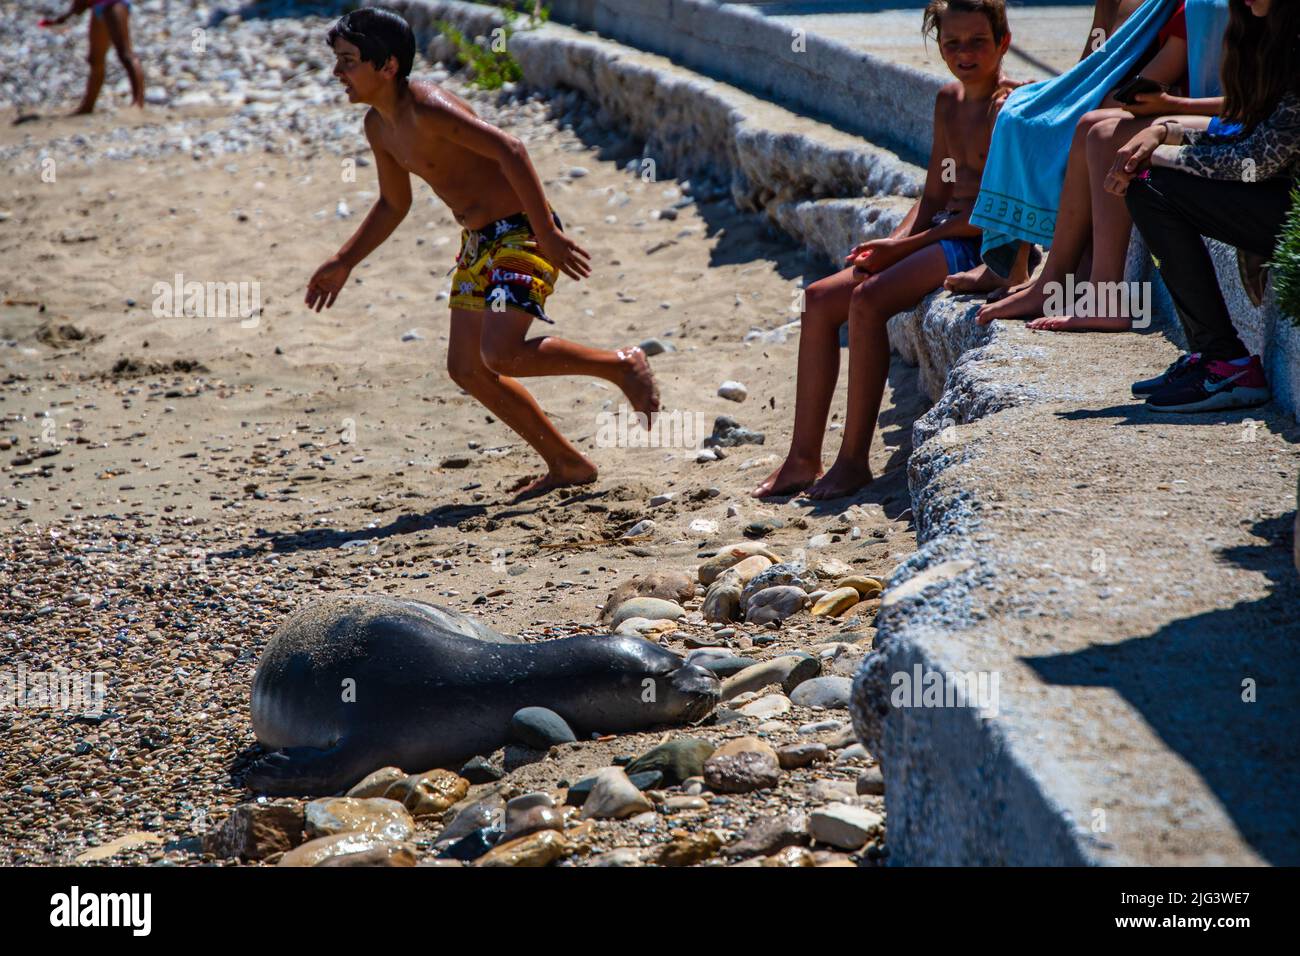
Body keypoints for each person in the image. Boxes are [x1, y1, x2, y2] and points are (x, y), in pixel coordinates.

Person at [305, 8, 659, 497]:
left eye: (347, 61)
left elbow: (511, 150)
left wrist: (547, 234)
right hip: (478, 244)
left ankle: (620, 365)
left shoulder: (426, 107)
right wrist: (344, 260)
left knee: (502, 354)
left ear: (386, 65)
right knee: (467, 368)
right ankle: (566, 462)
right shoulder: (378, 127)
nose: (336, 73)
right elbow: (393, 203)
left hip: (523, 234)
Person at [752, 0, 1014, 500]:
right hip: (940, 231)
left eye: (977, 41)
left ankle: (853, 462)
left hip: (980, 246)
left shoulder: (1009, 107)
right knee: (818, 298)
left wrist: (909, 247)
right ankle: (802, 457)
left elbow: (988, 215)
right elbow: (935, 194)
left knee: (867, 303)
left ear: (1003, 41)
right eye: (952, 43)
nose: (964, 54)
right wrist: (891, 243)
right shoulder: (948, 100)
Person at [977, 0, 1229, 330]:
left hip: (1230, 123)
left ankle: (1102, 296)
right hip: (1198, 112)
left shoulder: (1243, 10)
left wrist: (1167, 105)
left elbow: (1253, 100)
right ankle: (1052, 281)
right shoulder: (1190, 8)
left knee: (1098, 133)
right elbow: (1107, 69)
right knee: (1087, 127)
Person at [1111, 0, 1298, 412]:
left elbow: (1257, 161)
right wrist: (1166, 132)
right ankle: (1209, 354)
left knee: (1153, 187)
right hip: (1282, 197)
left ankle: (1225, 362)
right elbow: (1248, 134)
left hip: (1292, 211)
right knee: (1148, 184)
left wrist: (1160, 151)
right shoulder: (1268, 33)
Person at [45, 0, 145, 114]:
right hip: (98, 6)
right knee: (95, 59)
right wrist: (66, 17)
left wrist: (70, 14)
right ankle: (88, 106)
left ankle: (138, 103)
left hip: (113, 4)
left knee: (125, 54)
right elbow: (81, 4)